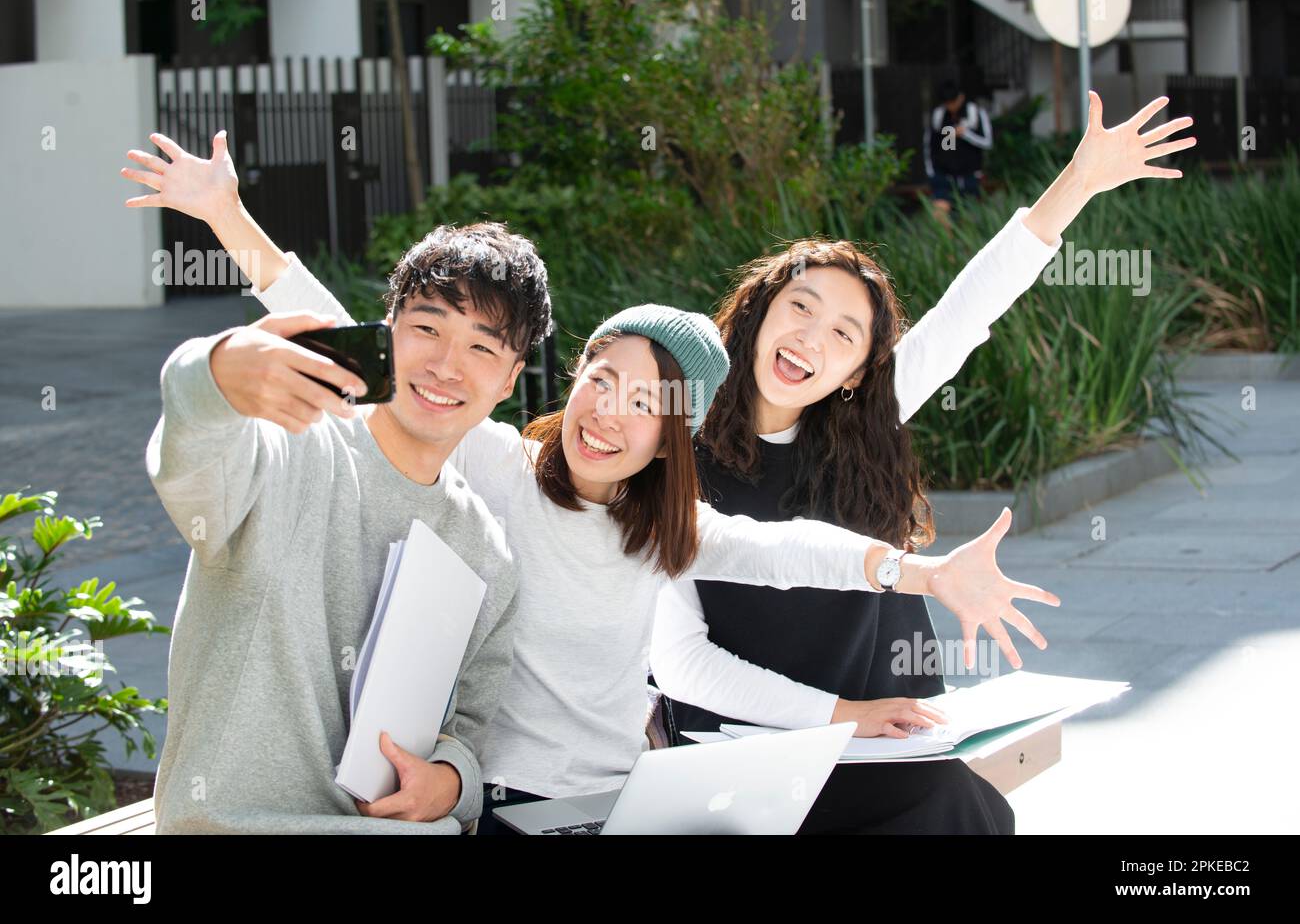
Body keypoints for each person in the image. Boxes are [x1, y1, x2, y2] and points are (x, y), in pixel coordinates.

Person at [122, 134, 1059, 836]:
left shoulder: (667, 530)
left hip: (619, 805)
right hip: (506, 807)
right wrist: (227, 222)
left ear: (669, 437)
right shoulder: (500, 469)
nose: (607, 412)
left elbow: (786, 552)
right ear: (568, 380)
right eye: (598, 379)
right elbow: (394, 358)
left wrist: (921, 575)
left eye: (643, 402)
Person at [650, 91, 1197, 833]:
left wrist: (1081, 182)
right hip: (756, 759)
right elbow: (682, 662)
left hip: (895, 747)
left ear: (854, 372)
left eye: (844, 333)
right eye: (801, 307)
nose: (813, 336)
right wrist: (842, 718)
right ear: (757, 314)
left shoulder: (861, 424)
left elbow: (970, 310)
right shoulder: (671, 455)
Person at [143, 221, 552, 833]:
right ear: (387, 334)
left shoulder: (486, 555)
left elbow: (465, 738)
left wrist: (449, 784)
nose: (446, 365)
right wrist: (214, 373)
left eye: (482, 347)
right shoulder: (291, 445)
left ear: (508, 380)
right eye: (428, 328)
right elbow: (188, 469)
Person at [923, 79, 994, 222]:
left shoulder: (976, 113)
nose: (951, 107)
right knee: (940, 215)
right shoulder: (939, 116)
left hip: (969, 176)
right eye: (947, 103)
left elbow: (987, 142)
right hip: (943, 175)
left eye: (953, 102)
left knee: (968, 218)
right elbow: (931, 145)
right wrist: (933, 173)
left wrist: (965, 134)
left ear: (960, 97)